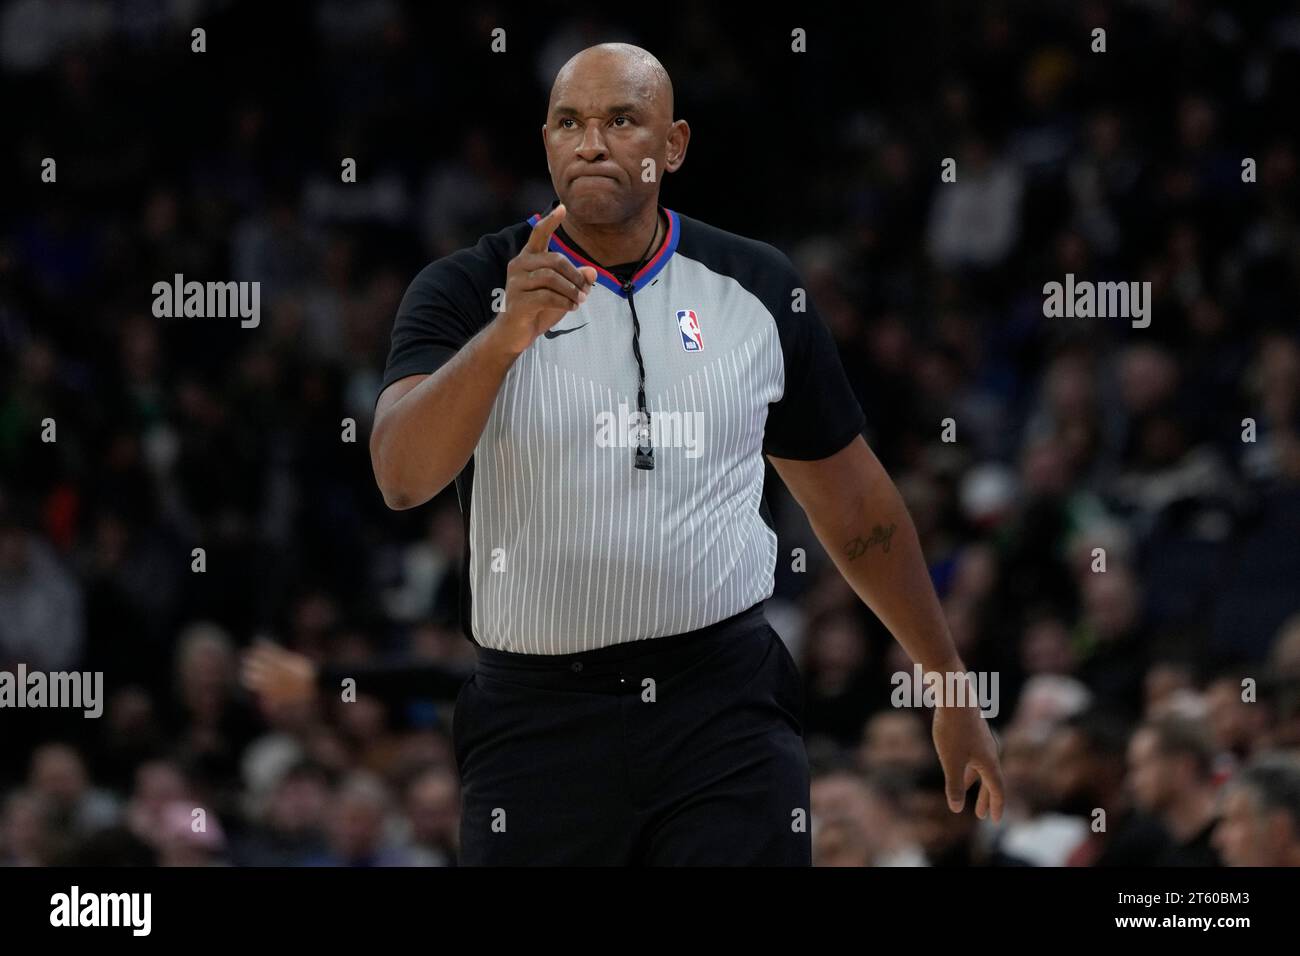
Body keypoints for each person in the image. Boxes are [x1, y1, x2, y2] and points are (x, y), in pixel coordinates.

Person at [247, 41, 1002, 866]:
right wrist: (501, 343)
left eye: (620, 121)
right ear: (546, 144)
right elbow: (399, 475)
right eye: (569, 123)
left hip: (723, 703)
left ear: (672, 145)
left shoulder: (757, 288)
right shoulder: (465, 290)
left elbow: (857, 510)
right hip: (537, 720)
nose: (592, 143)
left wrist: (947, 678)